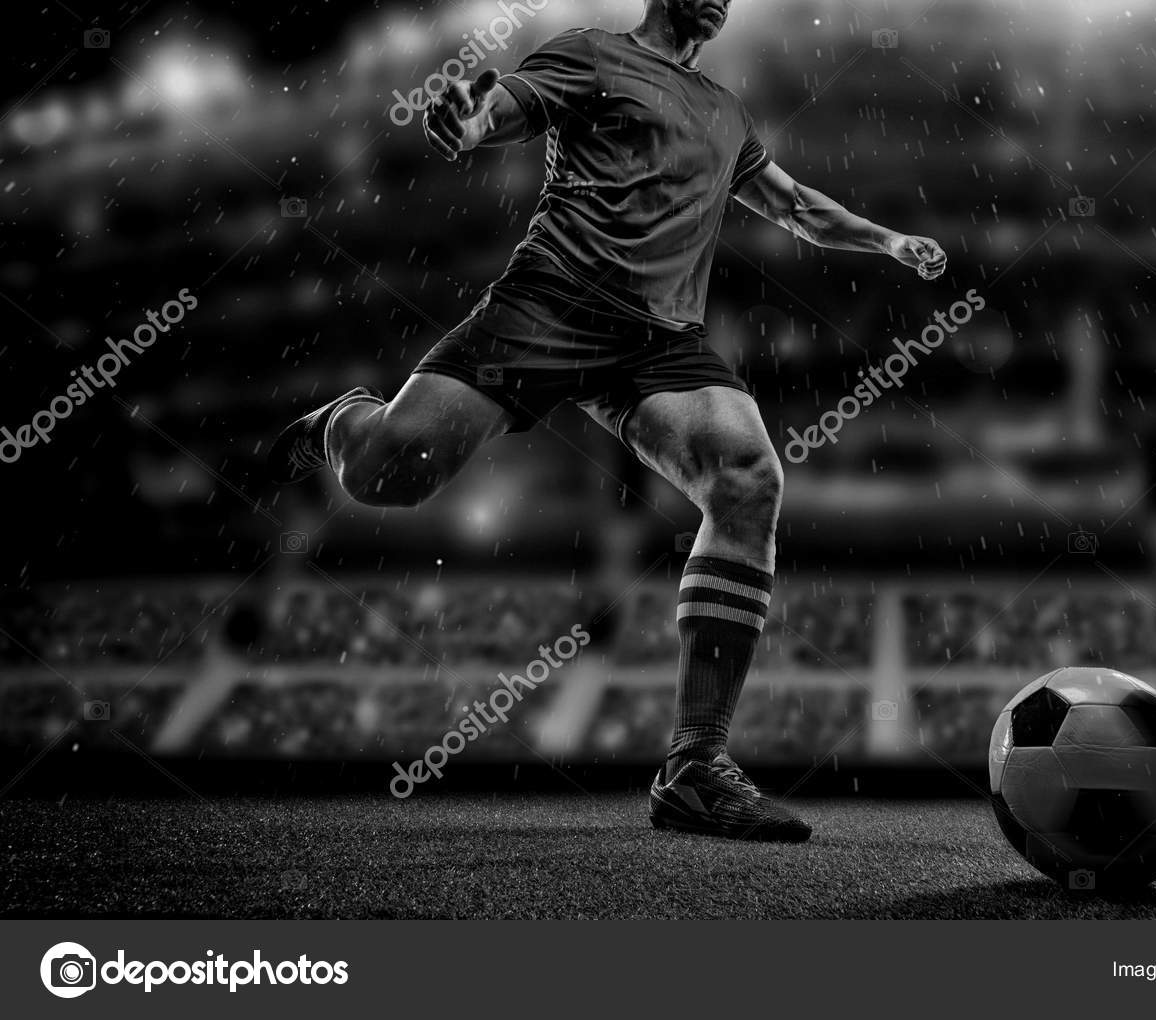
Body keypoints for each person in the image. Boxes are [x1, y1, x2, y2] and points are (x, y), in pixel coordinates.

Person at [268, 0, 947, 841]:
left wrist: (886, 241)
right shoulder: (592, 54)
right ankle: (339, 420)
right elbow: (505, 108)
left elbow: (797, 205)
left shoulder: (727, 112)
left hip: (661, 339)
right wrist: (469, 122)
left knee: (747, 479)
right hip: (551, 303)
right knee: (387, 476)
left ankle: (694, 766)